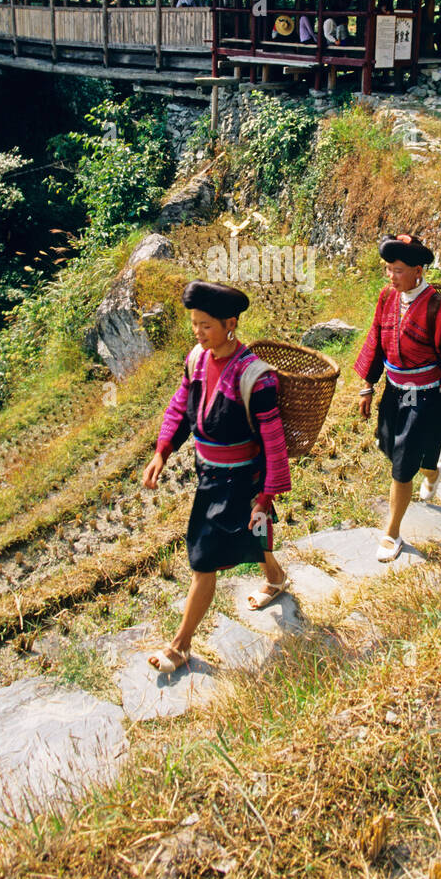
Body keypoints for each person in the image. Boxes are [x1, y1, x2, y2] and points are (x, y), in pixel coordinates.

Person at [142, 280, 292, 672]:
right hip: (208, 472)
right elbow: (180, 407)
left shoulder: (256, 377)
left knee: (204, 559)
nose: (198, 332)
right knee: (252, 531)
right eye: (194, 323)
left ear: (231, 323)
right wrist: (163, 450)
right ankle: (275, 578)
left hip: (241, 478)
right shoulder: (196, 359)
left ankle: (179, 645)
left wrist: (267, 493)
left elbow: (273, 441)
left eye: (205, 325)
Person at [354, 234, 441, 562]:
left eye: (398, 270)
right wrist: (368, 385)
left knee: (401, 466)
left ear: (418, 270)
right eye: (388, 269)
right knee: (391, 447)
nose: (391, 276)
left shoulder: (436, 309)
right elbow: (376, 338)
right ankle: (431, 471)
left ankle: (392, 532)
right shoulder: (387, 298)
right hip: (394, 392)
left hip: (422, 397)